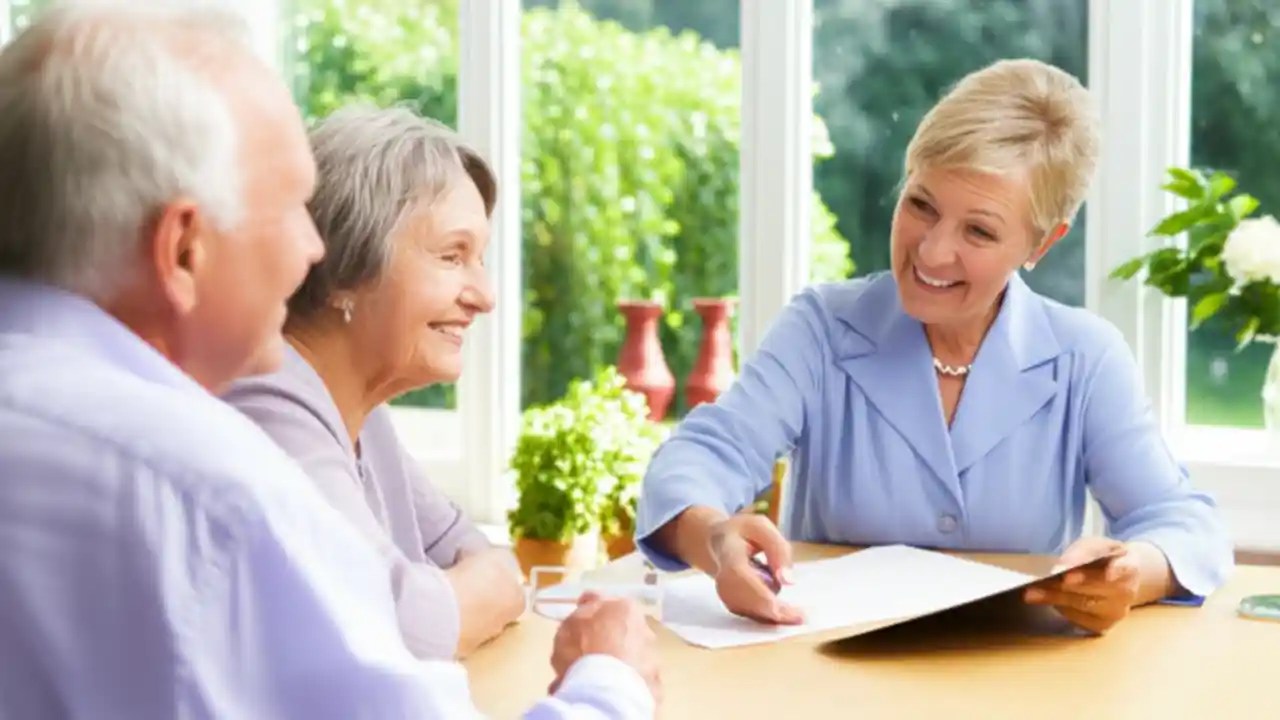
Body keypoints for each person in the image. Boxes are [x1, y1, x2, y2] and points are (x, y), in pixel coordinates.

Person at [0, 4, 659, 719]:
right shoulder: (215, 497)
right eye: (289, 208)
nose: (315, 252)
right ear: (184, 250)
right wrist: (610, 685)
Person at [635, 58, 1234, 636]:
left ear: (1041, 244)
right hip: (830, 684)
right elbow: (702, 459)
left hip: (1023, 686)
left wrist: (1131, 576)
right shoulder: (821, 328)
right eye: (921, 205)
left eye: (978, 230)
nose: (931, 252)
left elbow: (1185, 523)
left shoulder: (1086, 358)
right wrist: (714, 536)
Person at [222, 105, 523, 660]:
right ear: (344, 270)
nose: (485, 295)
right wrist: (472, 595)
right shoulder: (266, 402)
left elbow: (469, 554)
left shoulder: (359, 409)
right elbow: (389, 624)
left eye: (480, 258)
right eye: (452, 256)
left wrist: (468, 593)